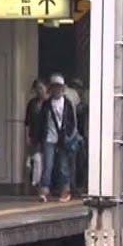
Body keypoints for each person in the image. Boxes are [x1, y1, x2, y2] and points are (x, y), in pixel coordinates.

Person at [30, 74, 80, 202]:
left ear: (63, 88)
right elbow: (41, 122)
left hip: (63, 139)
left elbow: (72, 122)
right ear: (51, 88)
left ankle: (65, 190)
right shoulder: (46, 104)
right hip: (49, 138)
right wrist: (37, 139)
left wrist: (69, 135)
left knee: (63, 166)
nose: (57, 89)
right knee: (48, 165)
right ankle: (44, 191)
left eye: (59, 87)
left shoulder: (67, 103)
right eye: (54, 87)